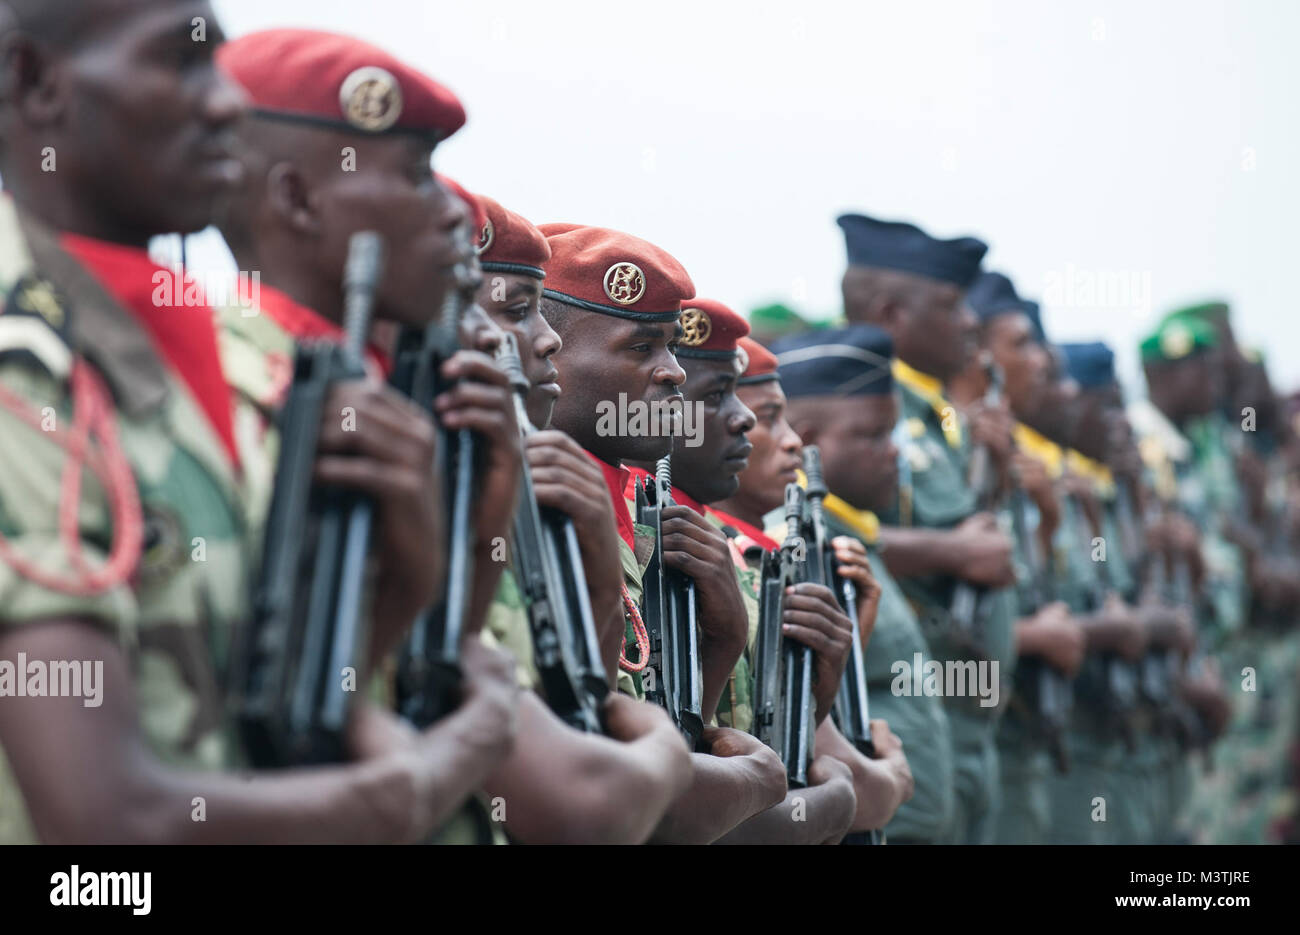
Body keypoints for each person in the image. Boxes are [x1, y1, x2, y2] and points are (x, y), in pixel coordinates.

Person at [0, 3, 517, 845]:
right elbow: (105, 829)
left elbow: (271, 715)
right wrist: (433, 772)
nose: (226, 104)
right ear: (33, 82)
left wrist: (412, 576)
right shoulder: (26, 363)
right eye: (181, 63)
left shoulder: (160, 347)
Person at [538, 224, 788, 843]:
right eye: (640, 347)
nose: (672, 373)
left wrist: (724, 639)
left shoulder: (647, 514)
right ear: (552, 355)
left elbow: (672, 733)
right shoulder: (530, 510)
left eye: (673, 349)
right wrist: (769, 783)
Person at [835, 213, 1017, 844]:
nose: (971, 322)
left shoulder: (937, 417)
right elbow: (818, 530)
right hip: (902, 712)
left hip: (958, 717)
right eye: (951, 305)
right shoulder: (848, 405)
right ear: (892, 314)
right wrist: (954, 550)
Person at [729, 327, 942, 843]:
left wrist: (848, 649)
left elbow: (813, 711)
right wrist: (889, 779)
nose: (792, 443)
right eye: (767, 418)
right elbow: (798, 749)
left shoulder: (801, 546)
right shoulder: (754, 557)